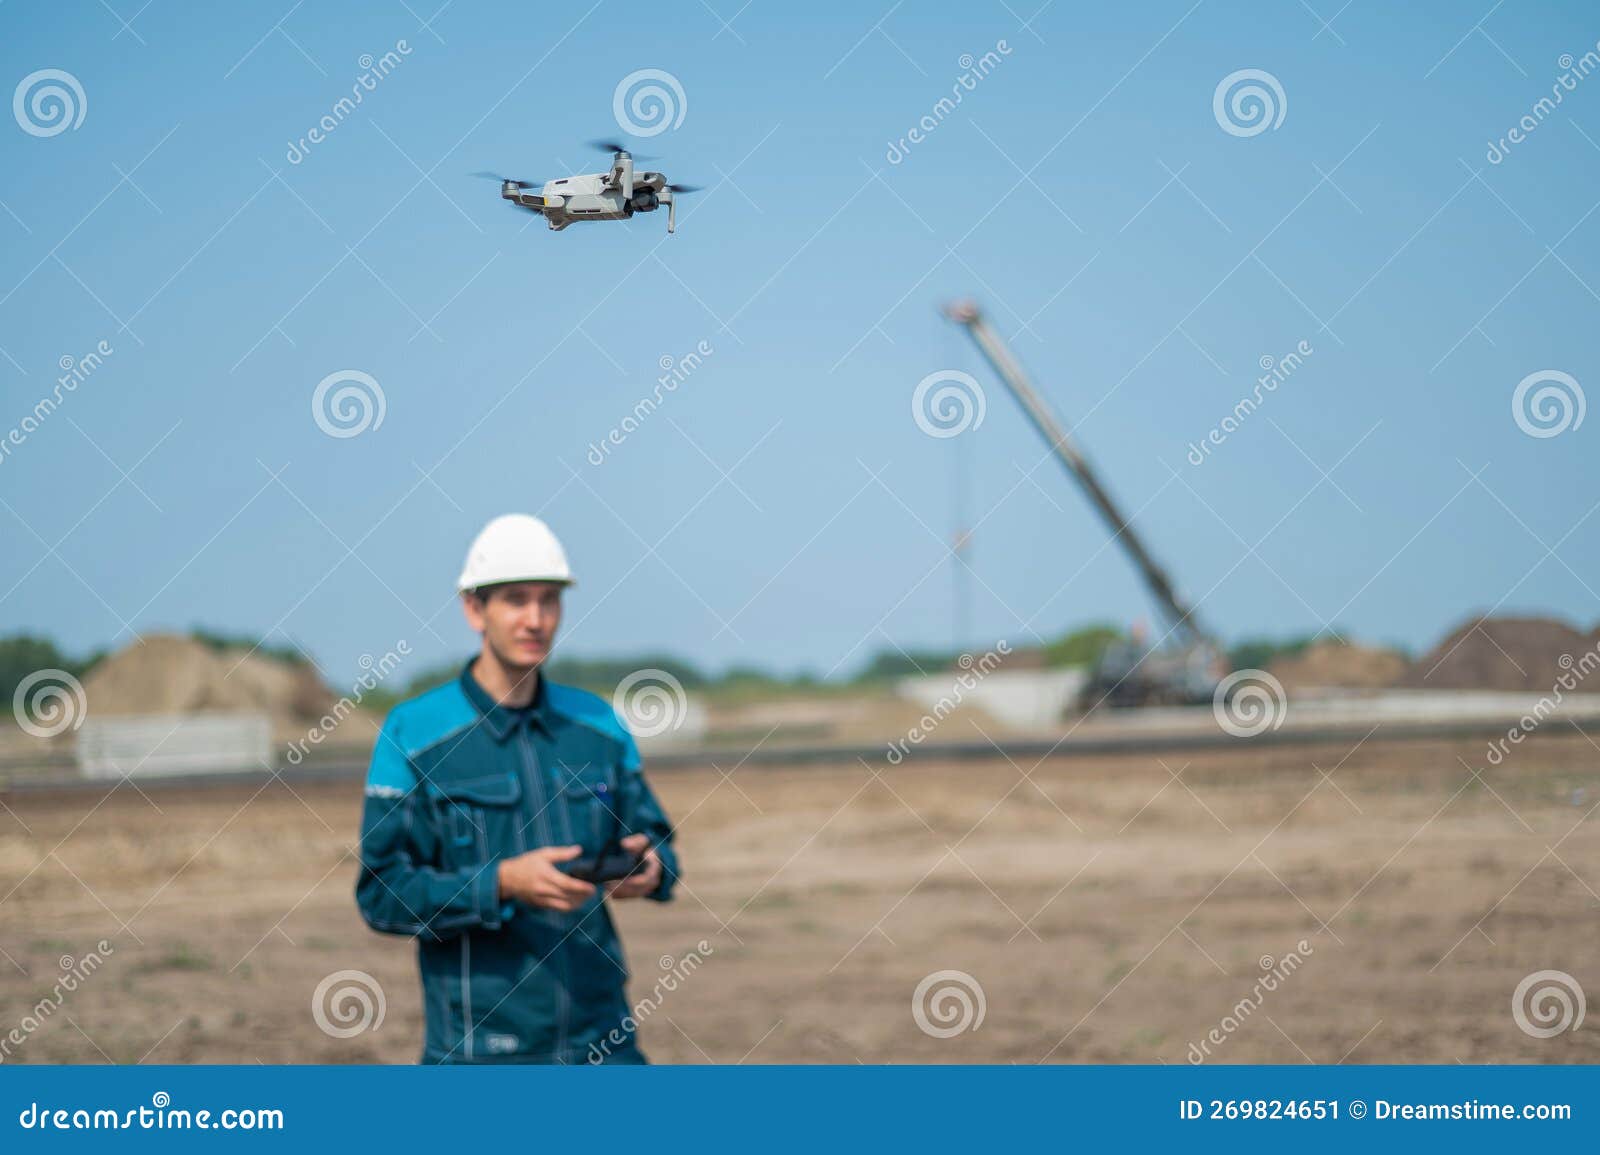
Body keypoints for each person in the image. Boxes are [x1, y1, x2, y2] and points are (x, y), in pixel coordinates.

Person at [355, 513, 679, 1064]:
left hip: (604, 1042)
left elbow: (659, 846)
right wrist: (501, 883)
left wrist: (649, 868)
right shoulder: (414, 734)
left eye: (549, 600)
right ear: (473, 608)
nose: (536, 619)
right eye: (516, 599)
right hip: (482, 1051)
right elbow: (384, 895)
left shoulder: (598, 726)